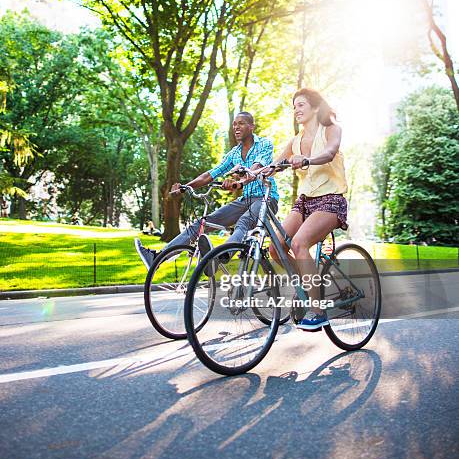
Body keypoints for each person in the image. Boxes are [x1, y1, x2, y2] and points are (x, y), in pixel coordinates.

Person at [135, 111, 279, 269]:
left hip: (266, 198)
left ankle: (218, 256)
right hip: (245, 200)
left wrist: (239, 181)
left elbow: (255, 168)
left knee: (243, 222)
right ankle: (158, 258)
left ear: (252, 126)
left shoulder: (264, 144)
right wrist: (186, 187)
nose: (236, 127)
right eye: (234, 124)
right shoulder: (234, 153)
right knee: (201, 224)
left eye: (241, 123)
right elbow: (210, 175)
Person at [259, 88, 348, 332]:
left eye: (301, 105)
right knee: (275, 248)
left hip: (330, 200)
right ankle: (307, 289)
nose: (296, 110)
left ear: (315, 107)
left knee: (299, 244)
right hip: (306, 201)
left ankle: (318, 311)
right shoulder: (295, 140)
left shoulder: (330, 128)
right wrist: (251, 173)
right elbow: (274, 165)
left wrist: (307, 160)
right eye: (294, 106)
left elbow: (330, 152)